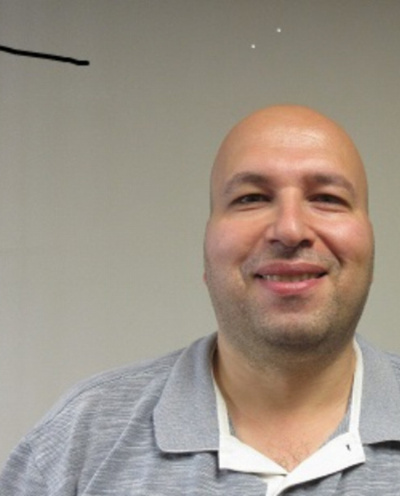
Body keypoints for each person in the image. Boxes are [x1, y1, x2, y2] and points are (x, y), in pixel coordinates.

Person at [1, 105, 400, 496]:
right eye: (252, 198)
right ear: (207, 252)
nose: (290, 229)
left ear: (370, 245)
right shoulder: (78, 442)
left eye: (327, 198)